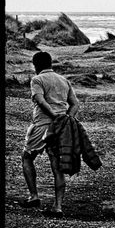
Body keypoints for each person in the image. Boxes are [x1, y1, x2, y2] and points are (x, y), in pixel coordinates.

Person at [21, 51, 80, 217]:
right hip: (61, 127)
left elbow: (40, 101)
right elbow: (75, 104)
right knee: (57, 165)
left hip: (42, 125)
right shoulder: (63, 80)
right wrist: (67, 119)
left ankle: (34, 196)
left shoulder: (37, 79)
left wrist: (54, 116)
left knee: (27, 157)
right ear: (50, 63)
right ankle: (58, 206)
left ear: (36, 65)